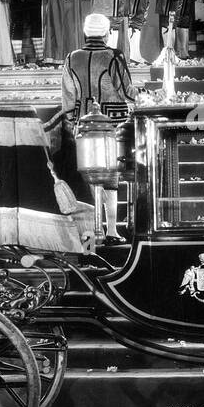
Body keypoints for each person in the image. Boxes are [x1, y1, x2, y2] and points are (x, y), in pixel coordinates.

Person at [58, 13, 134, 245]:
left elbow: (68, 97)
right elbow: (127, 91)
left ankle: (94, 231)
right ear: (106, 33)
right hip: (112, 123)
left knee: (91, 178)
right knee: (111, 177)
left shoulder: (72, 57)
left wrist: (72, 123)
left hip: (83, 122)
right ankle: (111, 230)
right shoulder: (113, 56)